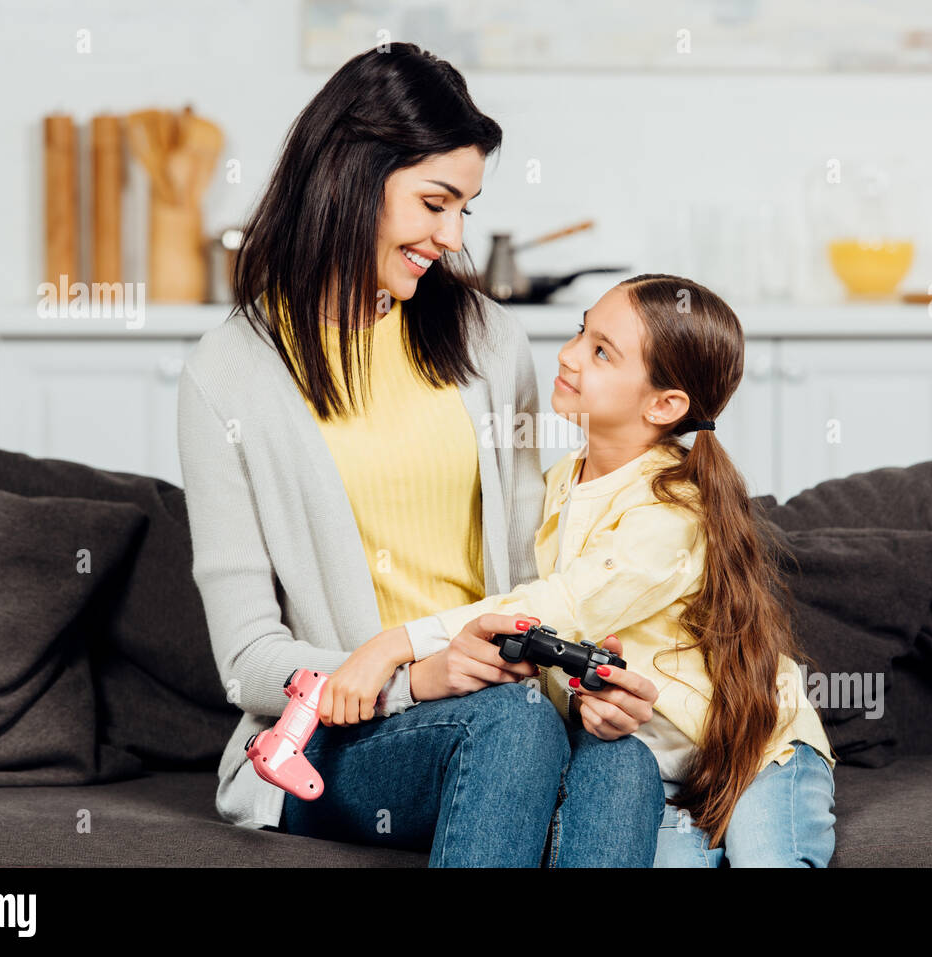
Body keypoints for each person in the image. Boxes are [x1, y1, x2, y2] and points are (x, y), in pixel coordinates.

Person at [177, 42, 663, 867]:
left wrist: (594, 678)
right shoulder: (227, 376)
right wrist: (417, 676)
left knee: (625, 758)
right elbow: (250, 659)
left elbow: (532, 558)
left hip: (508, 699)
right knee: (510, 725)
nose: (451, 235)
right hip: (343, 735)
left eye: (465, 208)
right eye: (435, 202)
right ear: (353, 175)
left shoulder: (487, 339)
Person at [329, 274, 839, 866]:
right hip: (658, 764)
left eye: (601, 351)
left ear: (664, 404)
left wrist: (395, 644)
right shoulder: (555, 489)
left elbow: (562, 605)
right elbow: (557, 650)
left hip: (759, 752)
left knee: (767, 860)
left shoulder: (673, 513)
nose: (569, 355)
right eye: (581, 332)